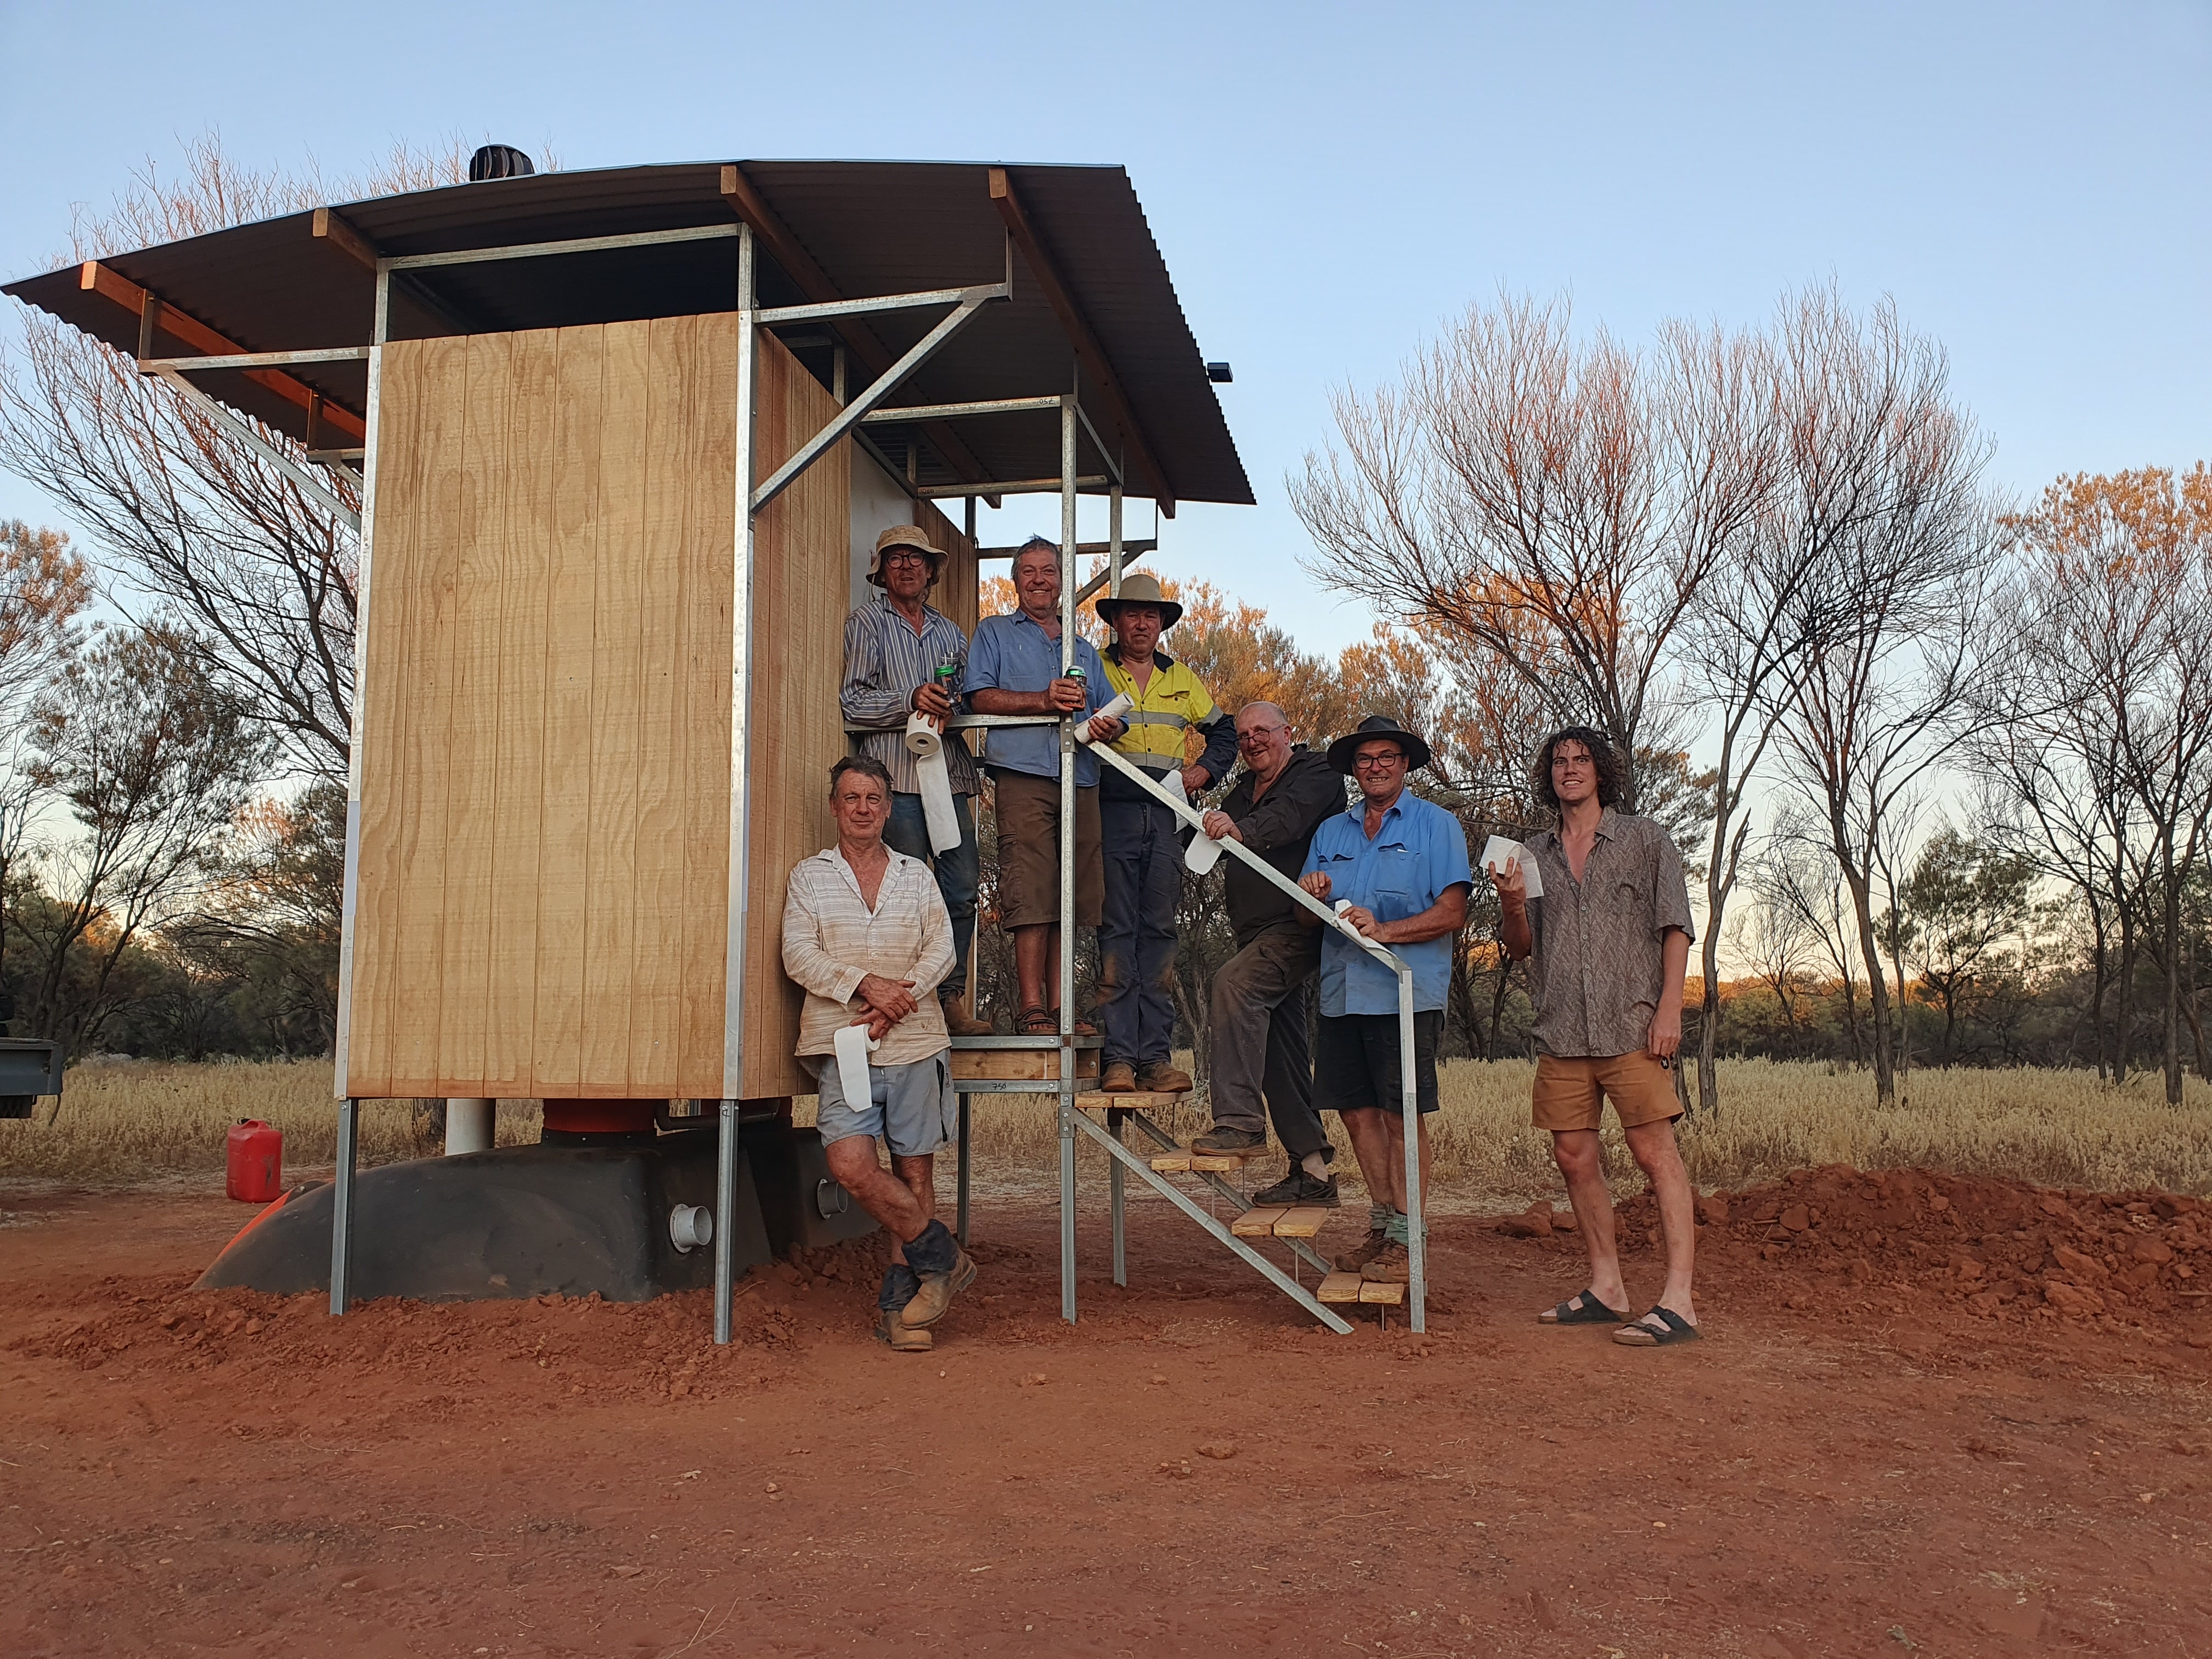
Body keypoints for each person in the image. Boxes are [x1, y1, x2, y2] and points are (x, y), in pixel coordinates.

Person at [1492, 725, 1700, 1346]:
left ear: (1601, 772)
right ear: (1549, 776)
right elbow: (1520, 946)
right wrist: (1510, 903)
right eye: (1559, 761)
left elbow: (1676, 927)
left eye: (1581, 759)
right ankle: (1607, 1289)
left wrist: (1670, 1009)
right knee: (1573, 1157)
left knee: (1654, 1154)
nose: (1570, 769)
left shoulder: (1645, 839)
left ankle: (1680, 1301)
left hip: (1632, 1025)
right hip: (1562, 1030)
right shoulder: (1533, 854)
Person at [780, 755, 977, 1353]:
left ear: (889, 809)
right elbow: (798, 954)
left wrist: (899, 1001)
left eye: (873, 798)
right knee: (851, 1166)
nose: (863, 808)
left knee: (914, 1170)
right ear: (834, 807)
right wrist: (868, 985)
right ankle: (943, 1257)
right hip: (844, 1045)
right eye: (852, 798)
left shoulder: (916, 875)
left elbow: (942, 949)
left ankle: (901, 1309)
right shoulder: (809, 877)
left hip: (915, 1040)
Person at [1297, 715, 1472, 1283]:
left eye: (1386, 757)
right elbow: (1305, 914)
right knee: (1356, 1113)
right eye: (1365, 759)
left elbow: (1452, 912)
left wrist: (1386, 931)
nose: (1375, 767)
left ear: (1405, 765)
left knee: (1401, 1116)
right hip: (1342, 993)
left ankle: (1408, 1236)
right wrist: (1311, 892)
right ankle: (1383, 1226)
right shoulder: (1331, 833)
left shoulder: (1437, 825)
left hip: (1405, 993)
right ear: (1354, 769)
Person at [965, 536, 1125, 1035]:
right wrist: (1042, 699)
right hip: (1024, 775)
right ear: (1015, 580)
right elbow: (978, 696)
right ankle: (1032, 1008)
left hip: (1081, 777)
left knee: (1072, 892)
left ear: (1062, 580)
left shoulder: (1083, 649)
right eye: (1029, 571)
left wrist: (1109, 724)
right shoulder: (993, 632)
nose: (1039, 580)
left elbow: (1109, 710)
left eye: (1049, 571)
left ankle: (1062, 1010)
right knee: (1030, 889)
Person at [1189, 703, 1346, 1204]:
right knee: (1280, 1044)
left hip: (1300, 924)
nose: (1252, 741)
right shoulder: (1241, 792)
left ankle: (1240, 1123)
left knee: (1234, 986)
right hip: (1253, 933)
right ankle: (1313, 1172)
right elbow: (1209, 833)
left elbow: (1287, 819)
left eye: (1262, 731)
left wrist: (1239, 829)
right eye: (1243, 735)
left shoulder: (1316, 771)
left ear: (1287, 733)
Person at [839, 524, 990, 1036]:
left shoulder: (951, 633)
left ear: (931, 570)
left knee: (962, 889)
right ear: (881, 572)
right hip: (895, 778)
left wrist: (952, 704)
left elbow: (969, 698)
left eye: (915, 558)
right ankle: (906, 1001)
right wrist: (910, 700)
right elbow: (853, 702)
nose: (906, 566)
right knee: (904, 894)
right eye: (895, 558)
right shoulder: (866, 622)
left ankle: (949, 999)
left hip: (947, 777)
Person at [1093, 573, 1237, 1094]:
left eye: (1150, 616)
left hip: (1166, 816)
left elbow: (1225, 731)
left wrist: (1204, 773)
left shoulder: (1182, 678)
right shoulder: (1094, 666)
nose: (1141, 624)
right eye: (1132, 614)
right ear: (1116, 621)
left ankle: (1155, 1058)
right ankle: (1117, 1059)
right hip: (1111, 811)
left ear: (1161, 624)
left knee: (1158, 933)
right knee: (1116, 932)